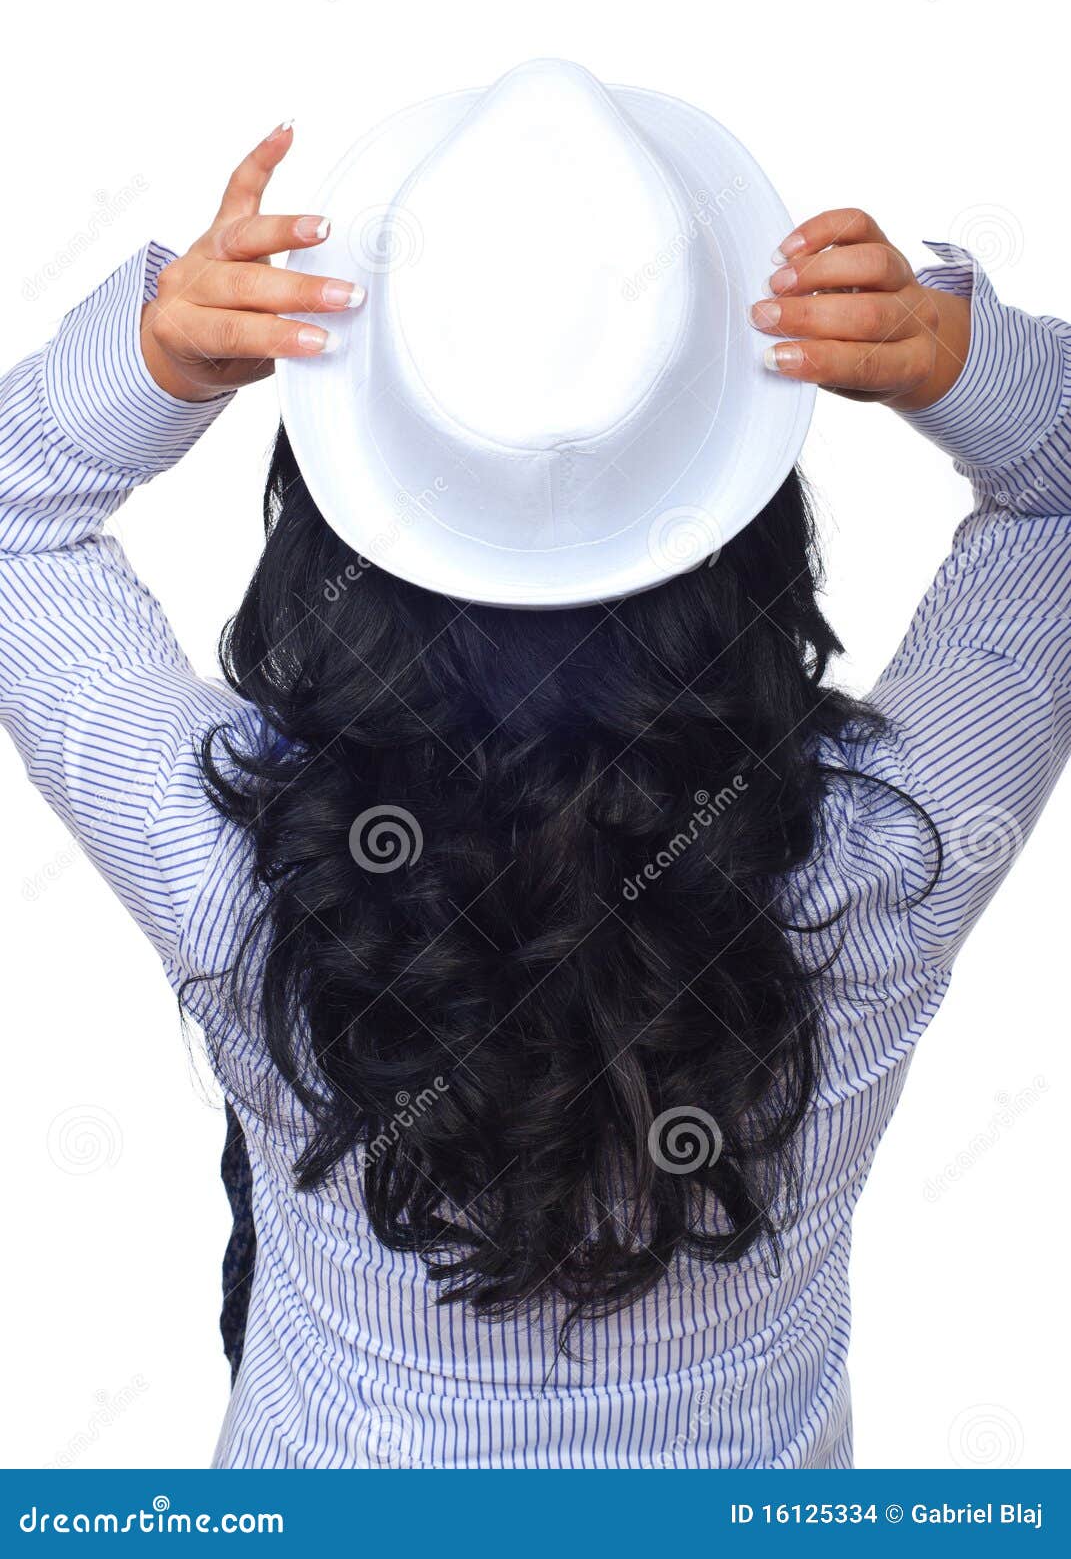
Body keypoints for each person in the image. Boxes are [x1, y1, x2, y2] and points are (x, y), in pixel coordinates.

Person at [2, 85, 1066, 1466]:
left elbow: (17, 524)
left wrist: (154, 357)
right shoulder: (878, 856)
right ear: (747, 520)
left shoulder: (237, 866)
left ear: (343, 520)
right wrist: (959, 359)